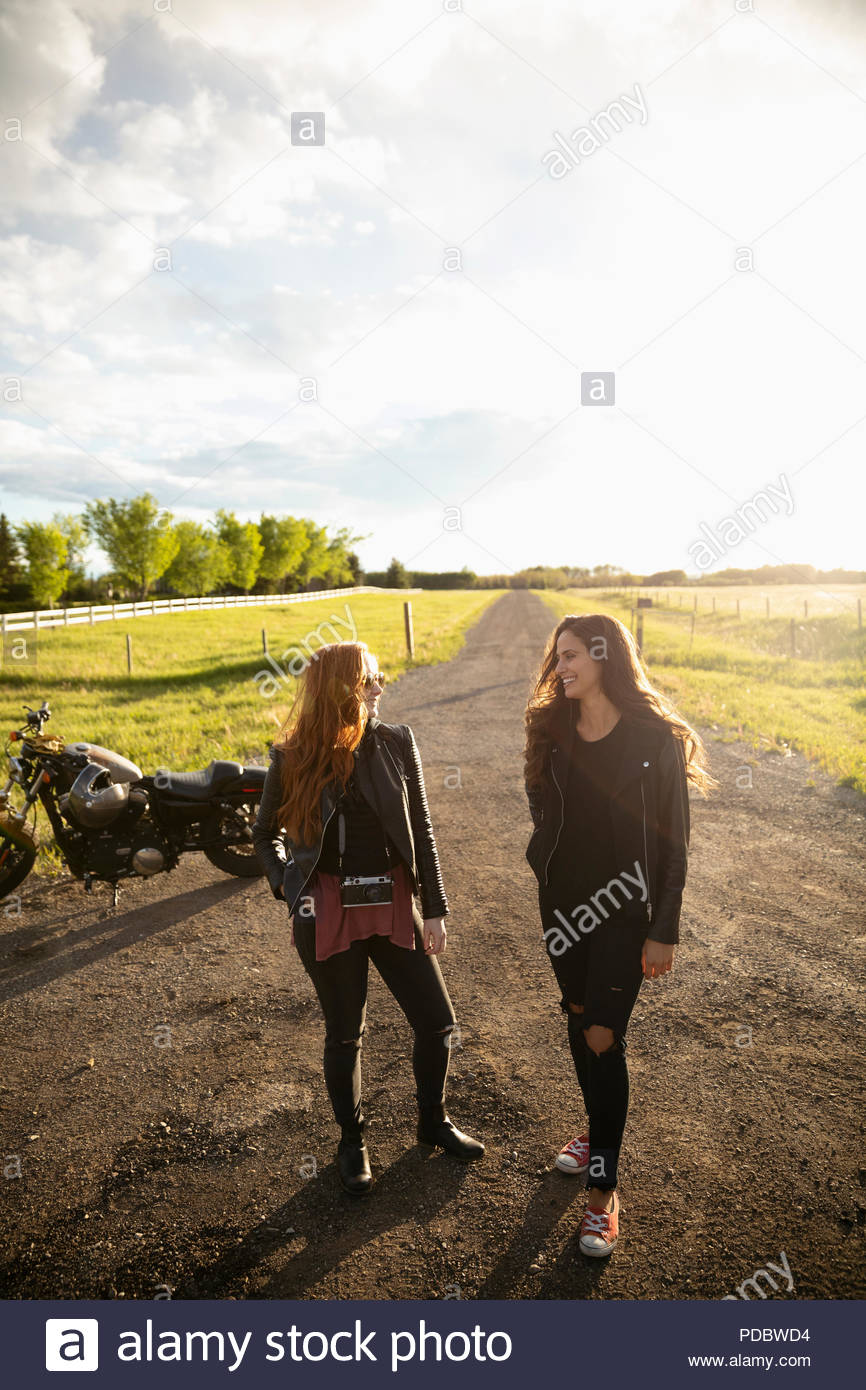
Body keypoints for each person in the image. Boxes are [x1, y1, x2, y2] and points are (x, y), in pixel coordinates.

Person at [253, 640, 484, 1196]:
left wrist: (435, 908)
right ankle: (351, 1141)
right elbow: (265, 835)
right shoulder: (293, 753)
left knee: (437, 1020)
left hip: (391, 899)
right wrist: (288, 887)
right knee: (345, 1034)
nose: (380, 688)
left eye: (380, 677)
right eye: (368, 680)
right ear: (340, 690)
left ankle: (432, 1121)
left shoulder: (398, 742)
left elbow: (422, 831)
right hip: (325, 906)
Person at [523, 613, 716, 1256]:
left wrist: (664, 929)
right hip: (563, 912)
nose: (561, 668)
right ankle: (597, 1127)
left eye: (572, 655)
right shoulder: (551, 728)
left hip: (625, 915)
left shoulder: (654, 738)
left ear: (606, 657)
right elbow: (542, 811)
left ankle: (603, 1190)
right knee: (581, 1022)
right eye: (558, 657)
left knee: (604, 1034)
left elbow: (673, 846)